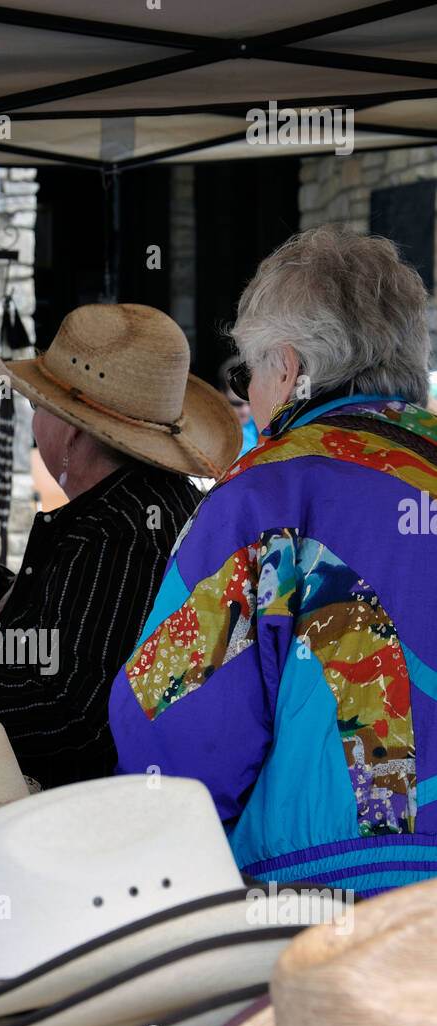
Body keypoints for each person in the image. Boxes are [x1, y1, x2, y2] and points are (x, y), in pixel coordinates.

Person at [110, 225, 437, 897]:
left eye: (246, 373)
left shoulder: (266, 499)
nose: (249, 394)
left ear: (286, 369)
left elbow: (172, 713)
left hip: (332, 903)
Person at [0, 303, 240, 788]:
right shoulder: (140, 506)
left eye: (39, 405)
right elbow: (53, 635)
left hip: (96, 817)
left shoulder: (116, 536)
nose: (33, 419)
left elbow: (73, 717)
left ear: (72, 432)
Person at [218, 354, 259, 456]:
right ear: (221, 396)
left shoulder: (263, 422)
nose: (245, 410)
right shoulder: (212, 432)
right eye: (236, 404)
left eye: (250, 403)